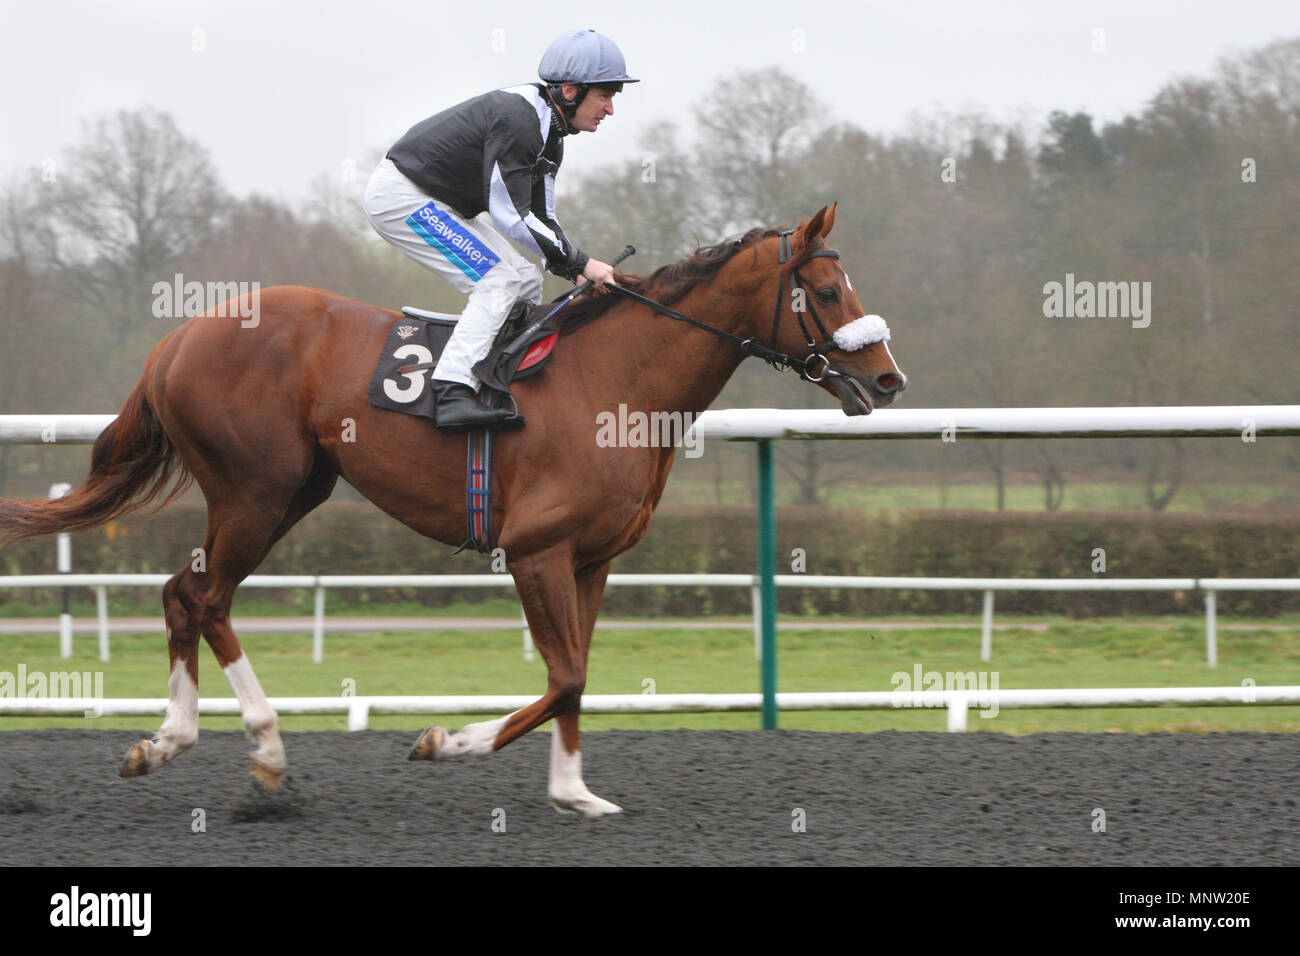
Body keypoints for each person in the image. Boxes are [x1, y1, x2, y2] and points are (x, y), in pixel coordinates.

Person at [363, 29, 637, 431]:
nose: (610, 109)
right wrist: (580, 261)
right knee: (498, 281)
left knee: (525, 280)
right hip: (403, 197)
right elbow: (509, 215)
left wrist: (573, 268)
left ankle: (494, 375)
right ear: (569, 90)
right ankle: (452, 390)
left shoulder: (550, 135)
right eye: (605, 95)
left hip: (443, 203)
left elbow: (541, 216)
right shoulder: (520, 121)